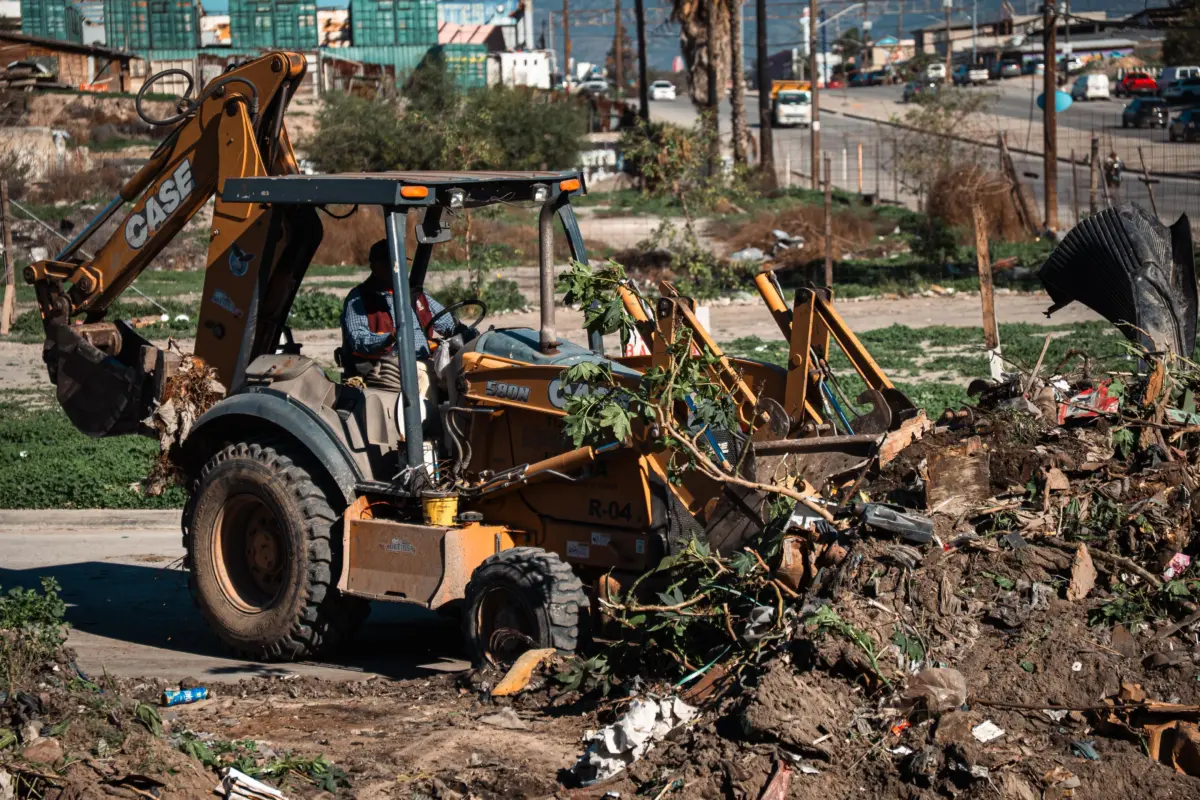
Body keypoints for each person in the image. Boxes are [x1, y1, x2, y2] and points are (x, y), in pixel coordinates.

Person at [340, 238, 456, 393]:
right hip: (386, 368)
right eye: (392, 264)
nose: (398, 268)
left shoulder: (415, 295)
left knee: (462, 370)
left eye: (401, 263)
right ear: (374, 267)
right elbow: (358, 338)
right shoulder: (359, 298)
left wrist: (462, 332)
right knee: (423, 375)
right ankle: (427, 416)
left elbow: (447, 322)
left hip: (423, 360)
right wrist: (389, 338)